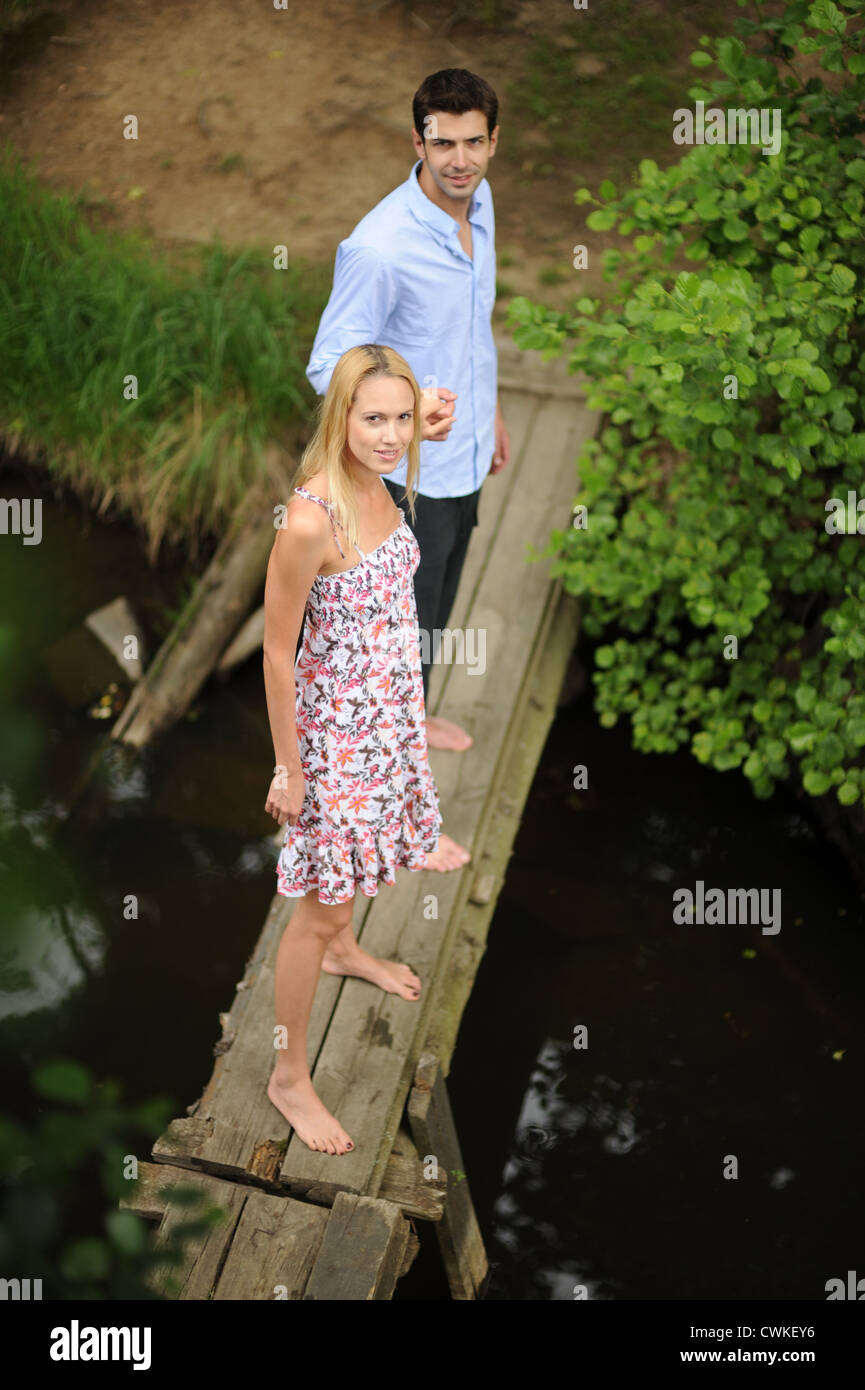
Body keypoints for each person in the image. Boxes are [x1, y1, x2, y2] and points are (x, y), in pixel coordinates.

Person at [262, 343, 471, 1157]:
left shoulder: (386, 472)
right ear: (338, 416)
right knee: (316, 908)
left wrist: (430, 421)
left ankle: (349, 950)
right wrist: (288, 768)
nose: (388, 435)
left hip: (386, 719)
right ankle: (287, 1077)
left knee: (346, 896)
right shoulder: (310, 518)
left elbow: (412, 428)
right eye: (371, 418)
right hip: (331, 743)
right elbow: (278, 653)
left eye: (399, 419)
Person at [306, 68, 511, 754]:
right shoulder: (380, 247)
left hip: (466, 457)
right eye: (443, 143)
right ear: (417, 142)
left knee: (438, 604)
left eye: (473, 142)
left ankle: (413, 718)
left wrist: (492, 412)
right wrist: (403, 409)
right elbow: (326, 365)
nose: (460, 160)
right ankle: (393, 777)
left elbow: (469, 330)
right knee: (398, 626)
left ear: (492, 142)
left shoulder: (477, 205)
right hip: (406, 479)